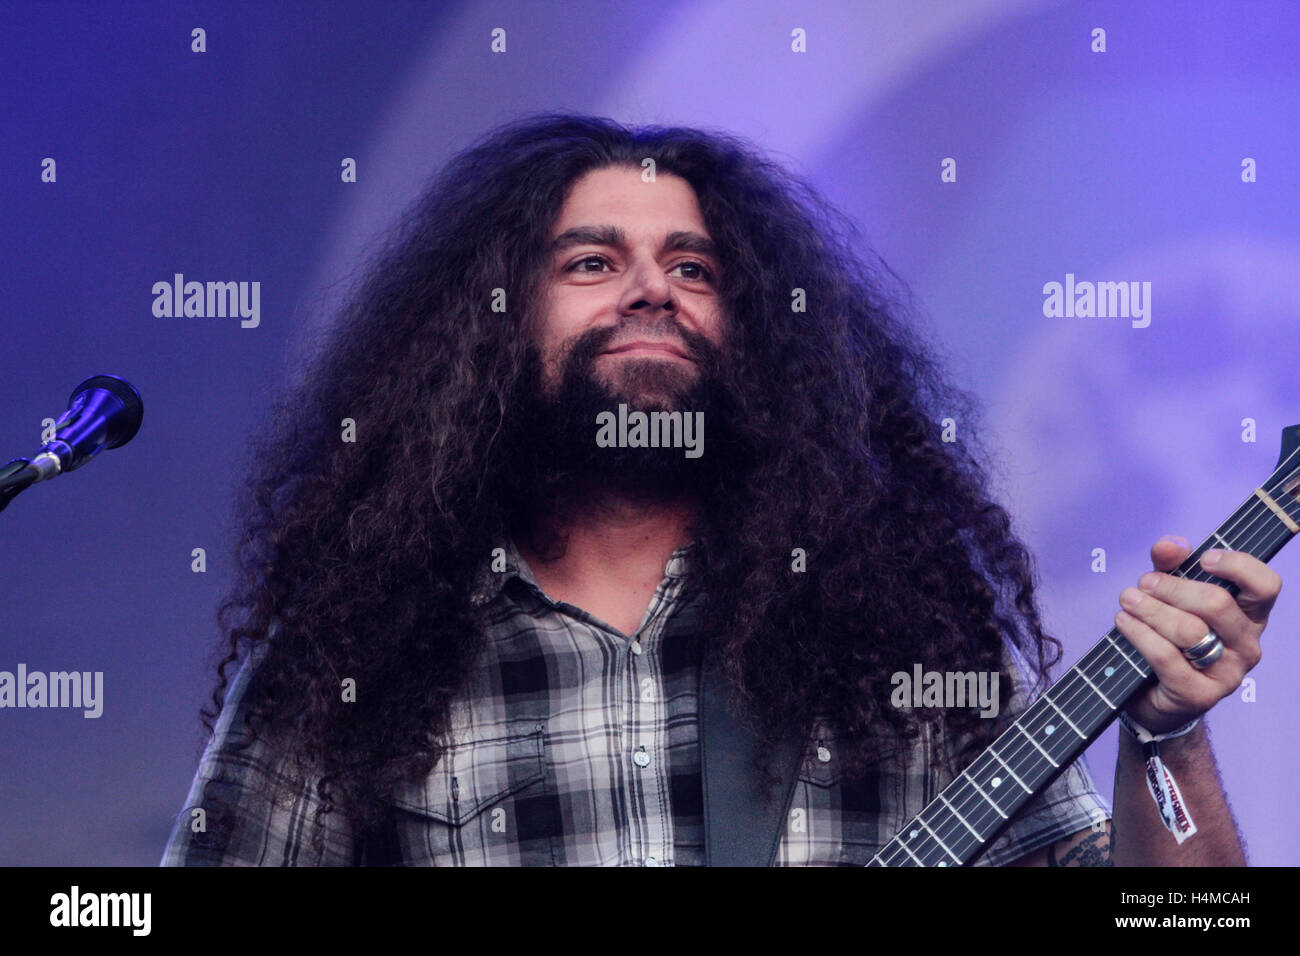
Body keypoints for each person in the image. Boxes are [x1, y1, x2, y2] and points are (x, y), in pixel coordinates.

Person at [162, 113, 1279, 867]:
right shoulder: (357, 651)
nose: (651, 290)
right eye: (590, 262)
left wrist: (1168, 737)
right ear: (488, 328)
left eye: (694, 268)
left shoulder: (901, 631)